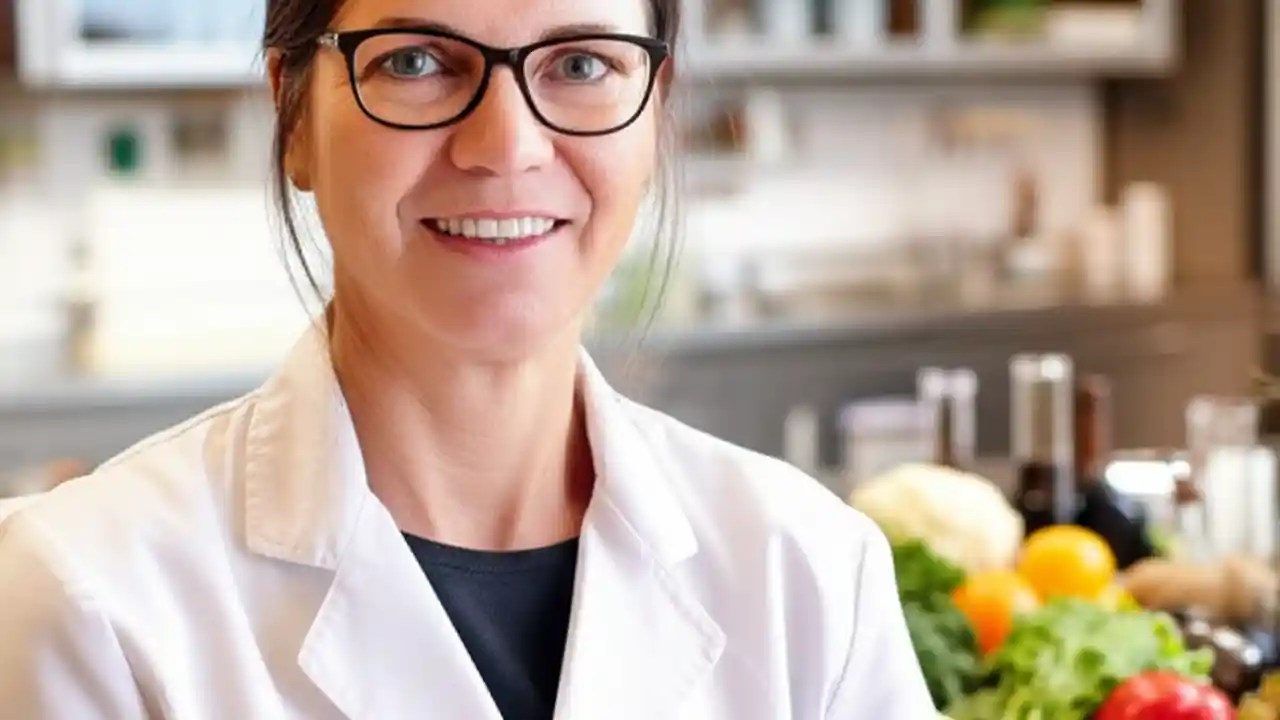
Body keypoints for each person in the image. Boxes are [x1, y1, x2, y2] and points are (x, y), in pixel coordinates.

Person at [0, 0, 932, 717]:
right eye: (415, 61)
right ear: (292, 116)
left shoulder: (809, 571)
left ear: (657, 110)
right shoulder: (89, 598)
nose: (506, 147)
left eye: (580, 63)